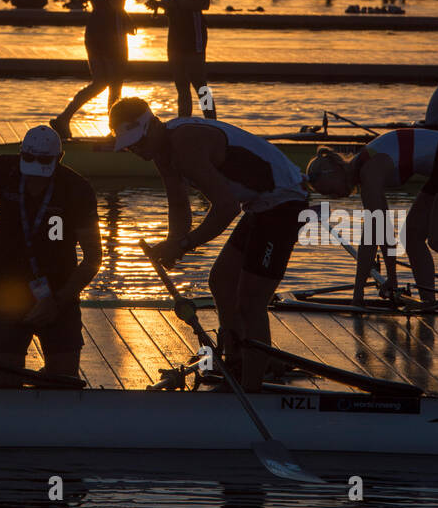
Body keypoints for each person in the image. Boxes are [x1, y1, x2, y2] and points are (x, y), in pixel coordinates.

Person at [108, 97, 309, 391]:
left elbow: (226, 207)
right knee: (221, 281)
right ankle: (237, 358)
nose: (136, 150)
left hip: (286, 200)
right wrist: (173, 243)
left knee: (251, 301)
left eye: (137, 142)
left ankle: (250, 386)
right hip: (259, 203)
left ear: (152, 125)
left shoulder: (185, 145)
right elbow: (178, 204)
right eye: (129, 145)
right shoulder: (161, 150)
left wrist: (185, 244)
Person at [0, 125, 102, 385]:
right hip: (6, 288)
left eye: (43, 162)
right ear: (20, 154)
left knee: (63, 381)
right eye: (28, 160)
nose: (34, 174)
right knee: (3, 381)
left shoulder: (77, 189)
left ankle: (46, 391)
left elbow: (93, 257)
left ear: (59, 159)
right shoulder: (3, 169)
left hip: (58, 292)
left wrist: (59, 301)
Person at [306, 128, 438, 306]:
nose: (334, 196)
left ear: (337, 170)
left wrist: (358, 293)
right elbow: (383, 231)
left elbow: (371, 238)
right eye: (328, 195)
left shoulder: (370, 171)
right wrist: (392, 278)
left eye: (330, 190)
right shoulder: (365, 171)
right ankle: (428, 301)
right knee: (411, 236)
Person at [50, 0, 146, 139]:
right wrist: (124, 18)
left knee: (101, 81)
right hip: (111, 28)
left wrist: (122, 15)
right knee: (116, 81)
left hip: (95, 26)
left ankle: (64, 118)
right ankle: (114, 132)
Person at [148, 0, 215, 118]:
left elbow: (204, 3)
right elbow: (176, 1)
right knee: (180, 83)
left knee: (199, 82)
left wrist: (175, 2)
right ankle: (183, 122)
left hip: (193, 30)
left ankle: (213, 122)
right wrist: (162, 5)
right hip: (175, 29)